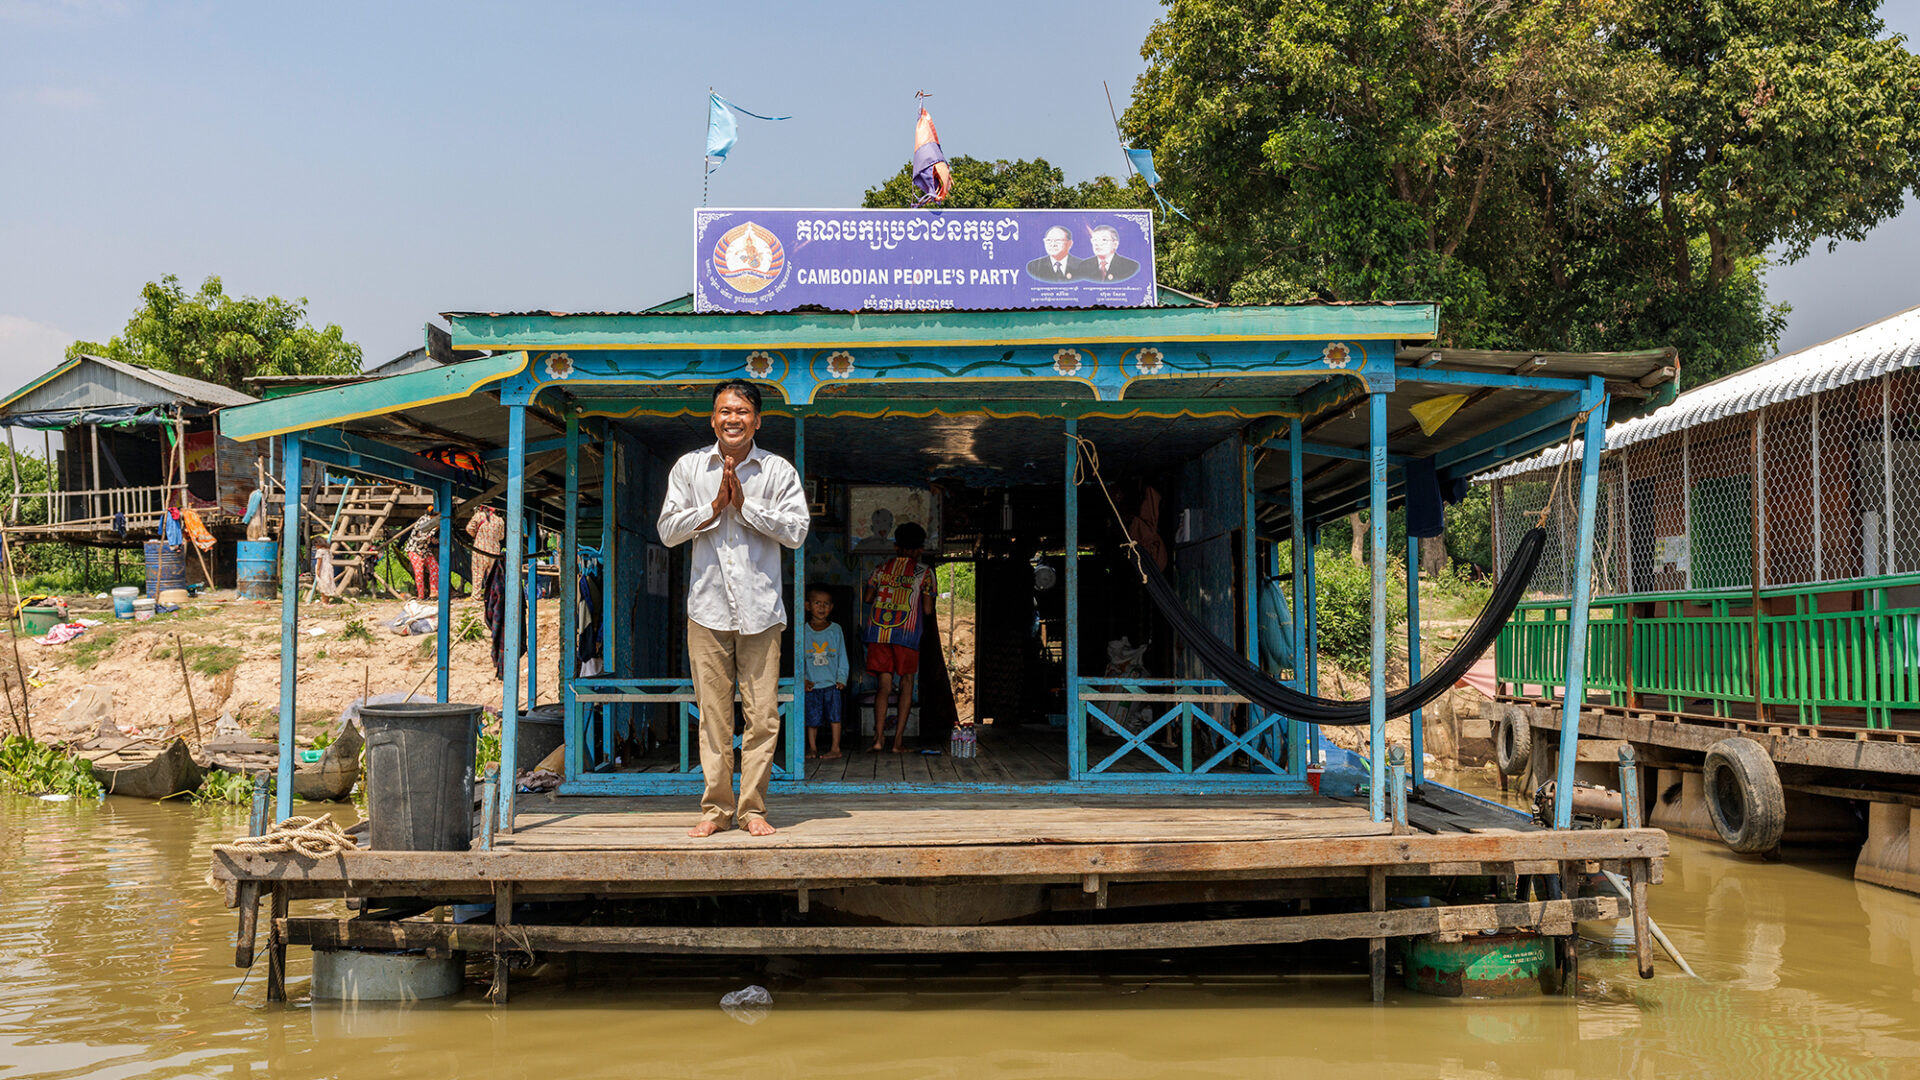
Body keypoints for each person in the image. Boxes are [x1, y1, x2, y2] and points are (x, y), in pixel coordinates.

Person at [658, 379, 809, 837]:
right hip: (706, 610)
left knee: (762, 715)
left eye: (742, 411)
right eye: (724, 411)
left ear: (756, 420)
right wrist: (712, 507)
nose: (732, 419)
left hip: (762, 612)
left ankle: (752, 809)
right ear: (713, 418)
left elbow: (797, 531)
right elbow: (667, 530)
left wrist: (743, 508)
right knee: (713, 715)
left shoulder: (779, 471)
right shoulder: (689, 468)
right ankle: (716, 809)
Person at [863, 522, 935, 753]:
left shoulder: (880, 569)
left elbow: (867, 598)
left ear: (896, 547)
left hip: (878, 631)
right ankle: (897, 743)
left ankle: (878, 739)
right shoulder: (925, 573)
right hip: (907, 632)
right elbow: (927, 611)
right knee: (906, 684)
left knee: (883, 686)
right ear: (920, 549)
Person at [799, 584, 848, 760]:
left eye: (826, 604)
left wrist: (842, 677)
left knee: (835, 717)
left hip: (833, 683)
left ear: (832, 607)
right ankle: (812, 748)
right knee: (812, 719)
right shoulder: (802, 630)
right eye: (817, 603)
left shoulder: (836, 629)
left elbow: (842, 655)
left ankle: (835, 748)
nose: (822, 607)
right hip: (811, 684)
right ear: (807, 606)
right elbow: (799, 659)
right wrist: (803, 679)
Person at [467, 507, 504, 597]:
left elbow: (469, 529)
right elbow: (501, 537)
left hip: (480, 550)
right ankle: (492, 595)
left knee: (477, 574)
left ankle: (476, 595)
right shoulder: (500, 520)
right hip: (494, 551)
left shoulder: (478, 516)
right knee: (493, 575)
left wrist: (476, 536)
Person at [405, 511, 440, 600]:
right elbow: (422, 537)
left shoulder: (431, 521)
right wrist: (434, 530)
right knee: (419, 573)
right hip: (414, 550)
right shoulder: (424, 521)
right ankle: (421, 596)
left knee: (435, 568)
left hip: (424, 549)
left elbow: (428, 538)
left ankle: (434, 592)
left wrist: (433, 539)